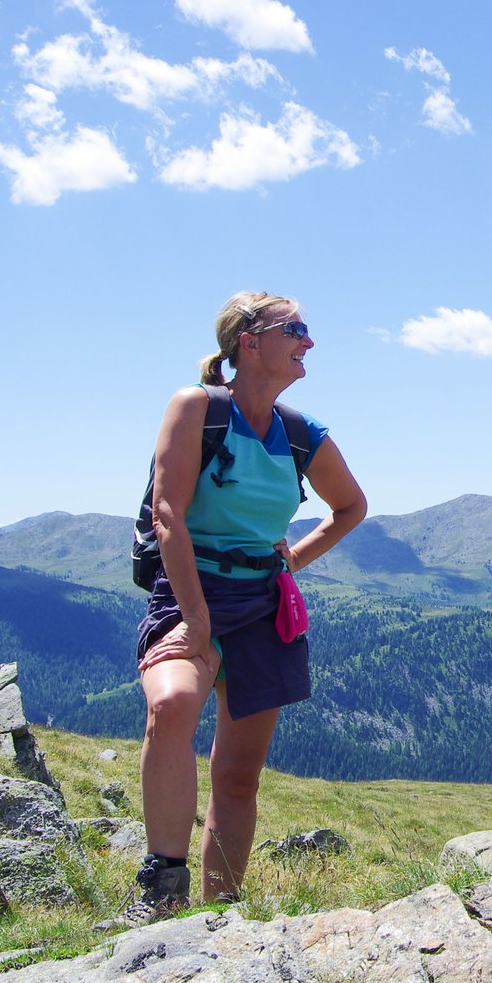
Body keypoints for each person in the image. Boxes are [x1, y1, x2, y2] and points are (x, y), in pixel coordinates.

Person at [115, 291, 367, 924]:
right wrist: (195, 620)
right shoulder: (196, 407)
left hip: (263, 603)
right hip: (189, 591)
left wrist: (289, 562)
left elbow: (351, 507)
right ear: (249, 342)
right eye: (296, 329)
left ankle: (220, 913)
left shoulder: (302, 433)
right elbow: (167, 513)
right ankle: (161, 890)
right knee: (170, 704)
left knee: (238, 774)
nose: (309, 341)